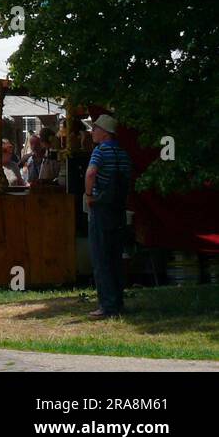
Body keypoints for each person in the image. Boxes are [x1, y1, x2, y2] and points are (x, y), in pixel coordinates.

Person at [85, 114, 132, 318]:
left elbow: (90, 173)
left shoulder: (100, 151)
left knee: (101, 258)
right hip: (118, 209)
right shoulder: (122, 153)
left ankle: (107, 305)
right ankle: (118, 301)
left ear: (104, 132)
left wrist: (88, 195)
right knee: (115, 257)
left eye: (95, 128)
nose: (92, 132)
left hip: (101, 208)